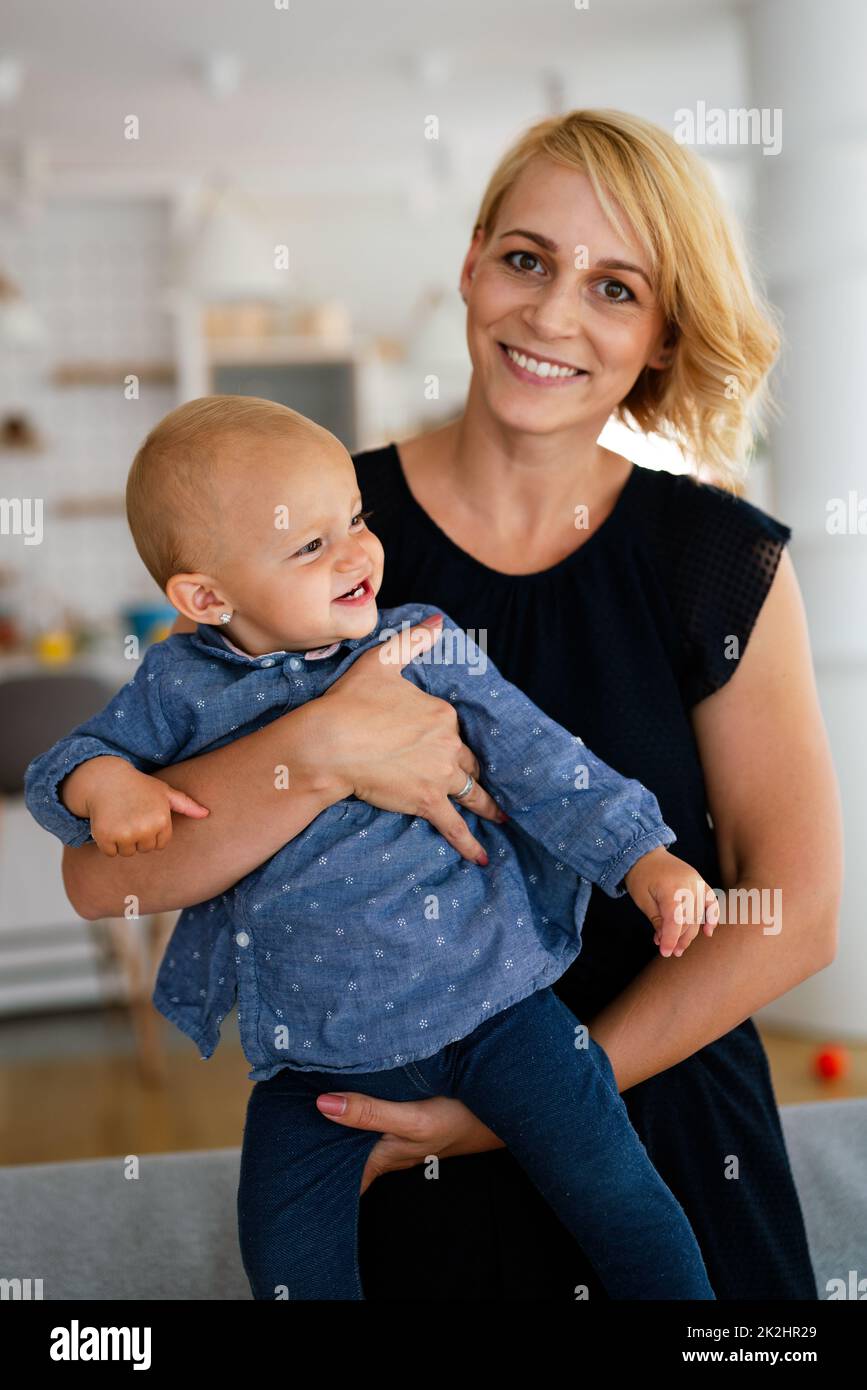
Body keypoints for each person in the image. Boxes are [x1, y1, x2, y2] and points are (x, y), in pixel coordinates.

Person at [58, 109, 842, 1301]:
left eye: (616, 287)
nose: (555, 313)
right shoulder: (311, 523)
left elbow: (794, 912)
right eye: (528, 259)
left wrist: (503, 1105)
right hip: (386, 1141)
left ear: (664, 333)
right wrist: (318, 749)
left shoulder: (715, 559)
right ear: (472, 263)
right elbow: (104, 875)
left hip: (658, 1117)